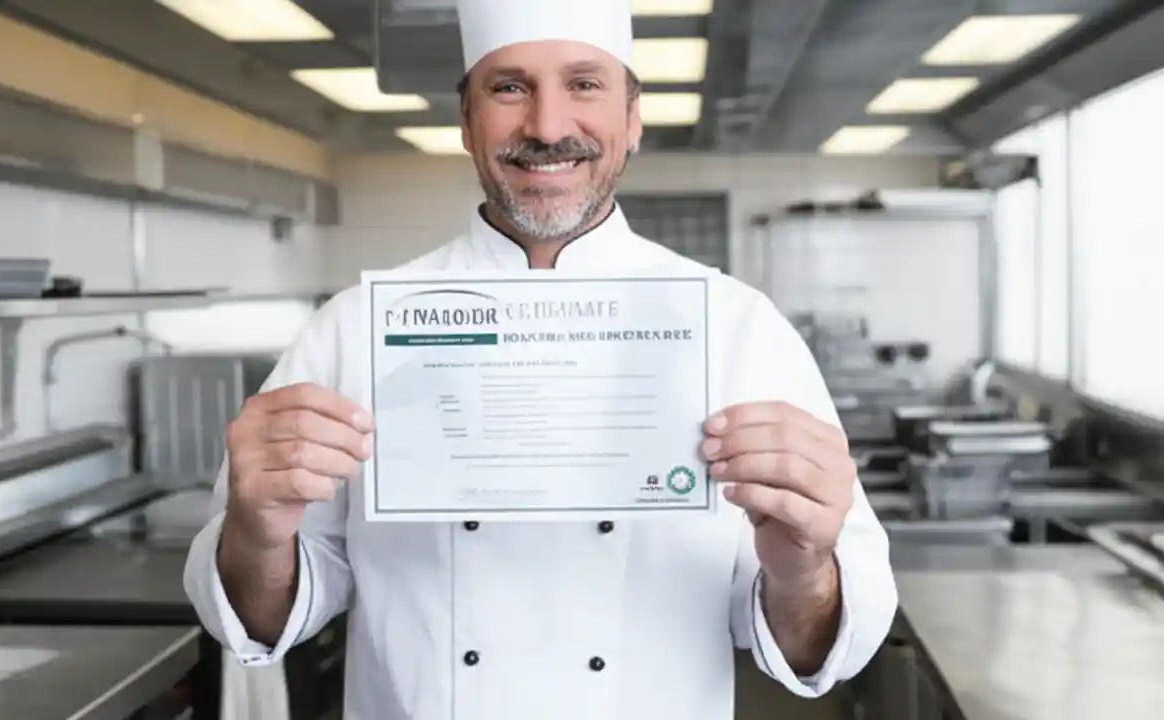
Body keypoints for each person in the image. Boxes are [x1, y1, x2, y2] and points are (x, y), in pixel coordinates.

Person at [184, 0, 897, 717]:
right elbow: (260, 619)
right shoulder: (354, 330)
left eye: (584, 84)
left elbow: (821, 647)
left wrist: (803, 570)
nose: (548, 127)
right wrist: (257, 534)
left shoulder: (739, 329)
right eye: (509, 87)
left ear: (633, 117)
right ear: (466, 123)